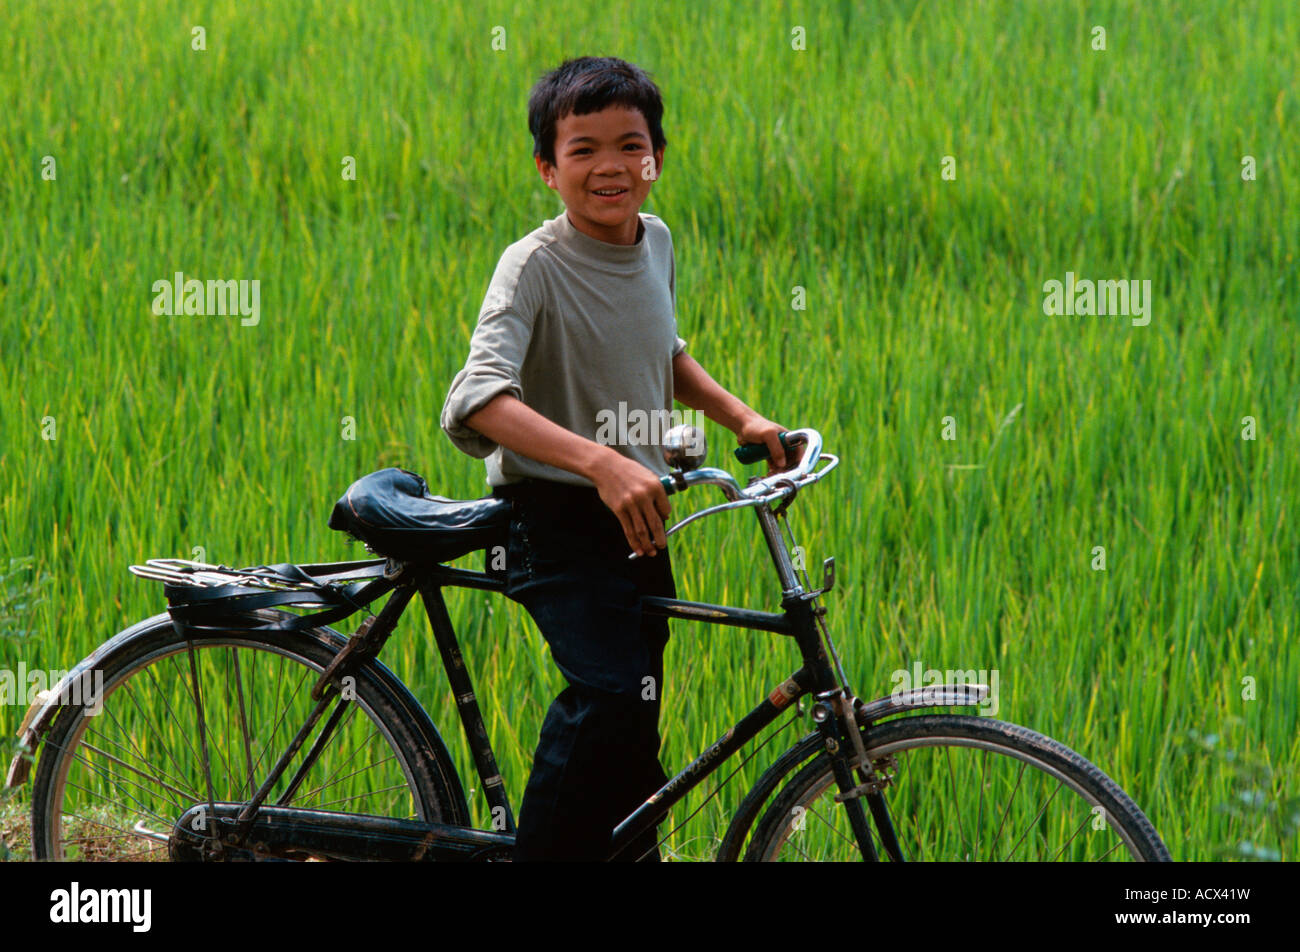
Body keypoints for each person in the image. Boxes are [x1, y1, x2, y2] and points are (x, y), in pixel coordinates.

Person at [440, 55, 793, 862]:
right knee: (605, 697)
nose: (610, 166)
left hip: (640, 520)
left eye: (630, 145)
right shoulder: (532, 265)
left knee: (636, 714)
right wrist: (602, 462)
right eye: (583, 149)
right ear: (547, 169)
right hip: (557, 518)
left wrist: (745, 419)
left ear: (657, 158)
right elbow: (478, 399)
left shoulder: (655, 241)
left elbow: (659, 350)